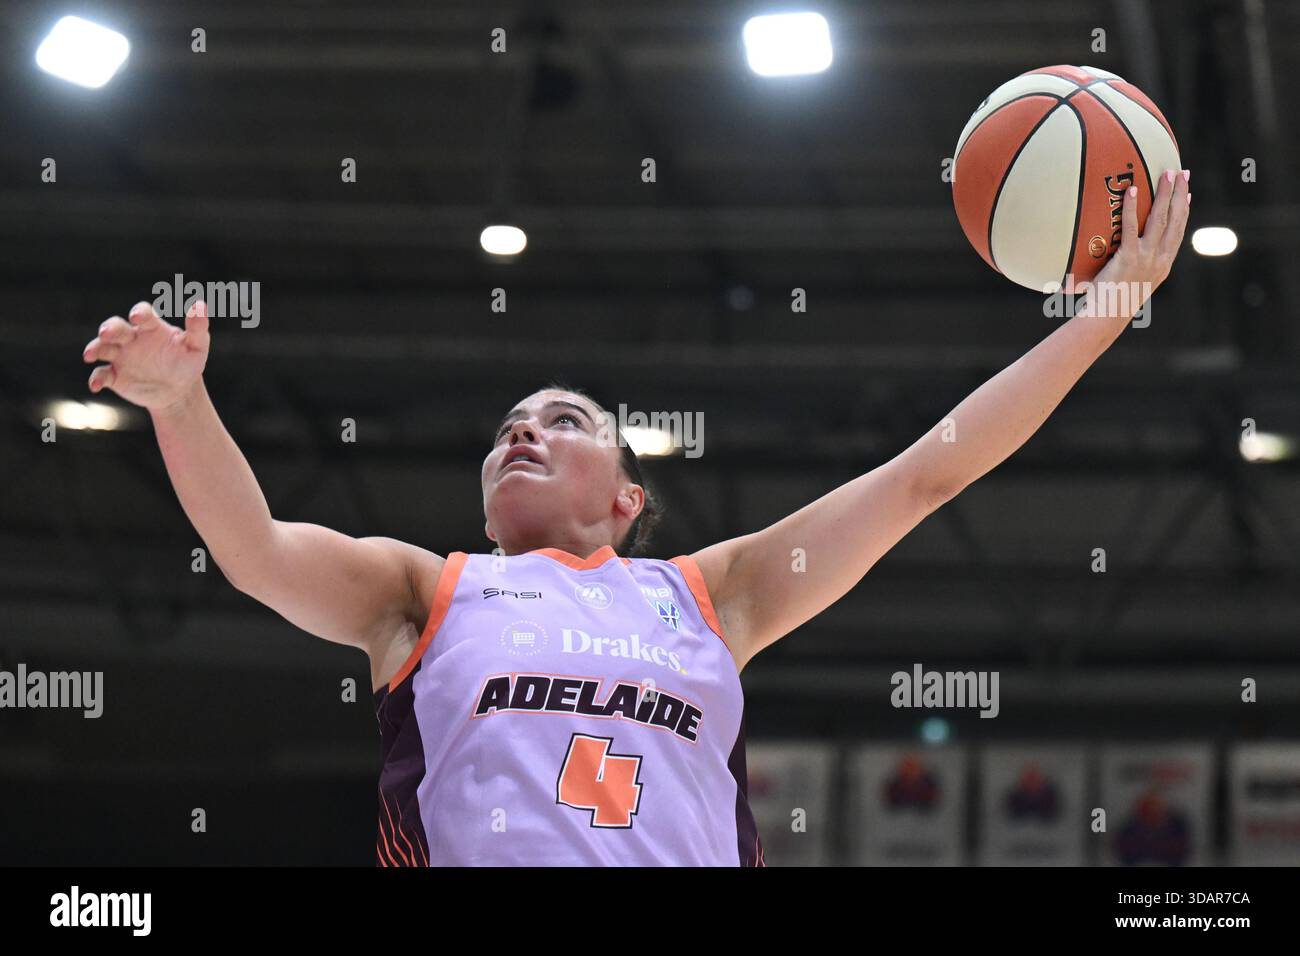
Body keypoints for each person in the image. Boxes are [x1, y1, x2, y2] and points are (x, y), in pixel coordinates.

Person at [80, 169, 1191, 866]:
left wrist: (1098, 319)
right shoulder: (427, 591)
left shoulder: (712, 594)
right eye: (508, 424)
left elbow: (922, 477)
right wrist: (182, 403)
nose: (523, 430)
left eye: (562, 418)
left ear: (627, 497)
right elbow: (252, 546)